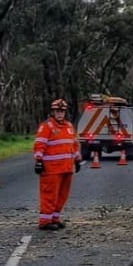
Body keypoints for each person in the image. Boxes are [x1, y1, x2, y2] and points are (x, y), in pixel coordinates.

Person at [33, 98, 82, 230]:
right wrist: (38, 161)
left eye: (62, 111)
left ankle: (55, 218)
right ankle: (45, 221)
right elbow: (40, 144)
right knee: (49, 194)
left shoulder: (69, 126)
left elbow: (75, 144)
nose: (60, 113)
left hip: (66, 168)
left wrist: (77, 160)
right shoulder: (47, 126)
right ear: (53, 112)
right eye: (57, 111)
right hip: (51, 169)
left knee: (62, 195)